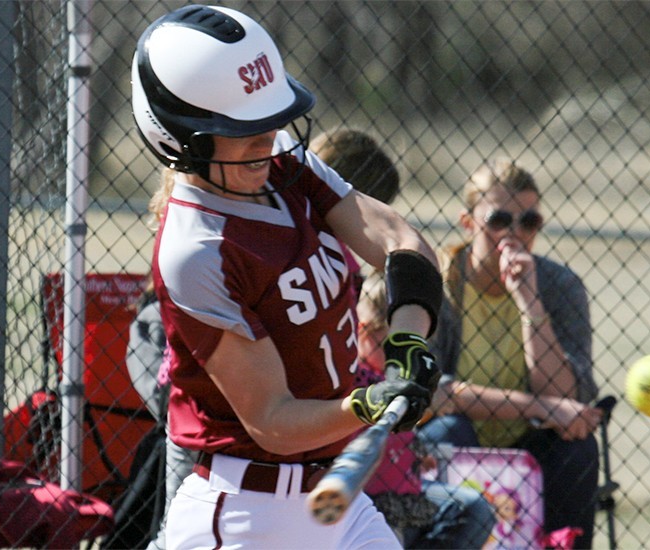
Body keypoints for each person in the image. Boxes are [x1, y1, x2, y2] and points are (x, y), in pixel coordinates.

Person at [130, 5, 443, 549]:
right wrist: (365, 404)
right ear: (182, 139)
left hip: (336, 499)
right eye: (242, 128)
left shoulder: (284, 166)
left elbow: (398, 240)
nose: (268, 136)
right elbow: (272, 421)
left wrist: (408, 340)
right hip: (246, 515)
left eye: (269, 118)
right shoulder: (197, 251)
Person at [417, 158, 603, 548]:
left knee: (577, 447)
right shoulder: (436, 284)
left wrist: (529, 301)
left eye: (529, 222)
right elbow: (434, 393)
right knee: (450, 429)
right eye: (499, 220)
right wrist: (542, 408)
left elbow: (566, 398)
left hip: (526, 442)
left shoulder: (559, 286)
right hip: (457, 437)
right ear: (468, 223)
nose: (514, 233)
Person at [356, 269, 496, 549]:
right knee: (389, 534)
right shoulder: (358, 381)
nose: (406, 358)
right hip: (375, 500)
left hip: (406, 491)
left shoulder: (392, 377)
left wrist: (417, 452)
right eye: (395, 345)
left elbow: (401, 433)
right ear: (366, 334)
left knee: (475, 510)